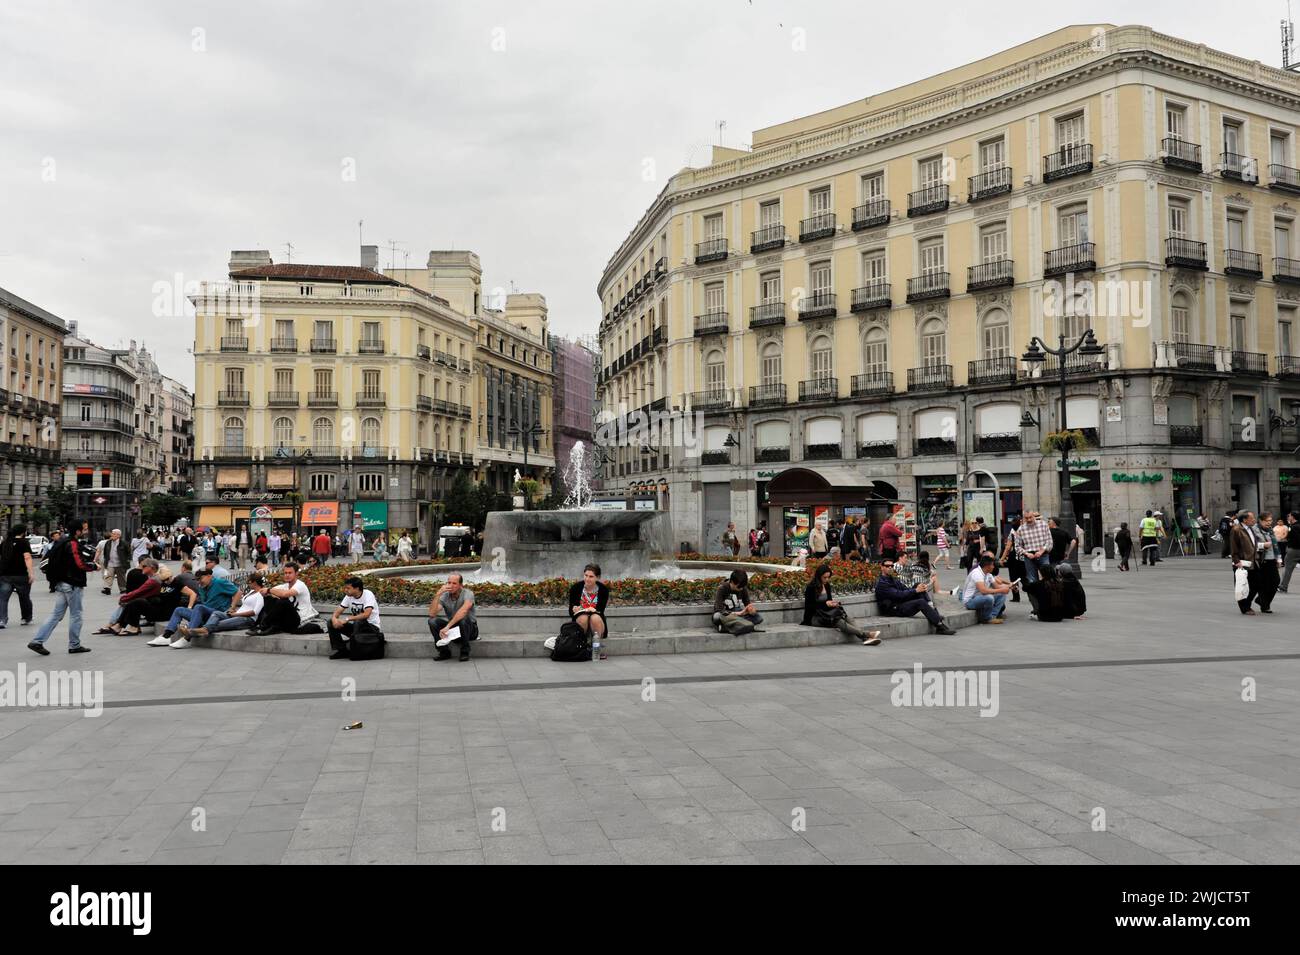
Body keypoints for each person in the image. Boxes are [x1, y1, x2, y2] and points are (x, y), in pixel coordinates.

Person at [28, 518, 94, 655]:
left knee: (56, 615)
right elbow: (79, 563)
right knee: (76, 615)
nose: (86, 531)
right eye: (85, 529)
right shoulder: (72, 543)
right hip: (72, 584)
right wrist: (93, 566)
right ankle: (74, 645)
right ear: (78, 531)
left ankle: (37, 641)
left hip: (60, 583)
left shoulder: (60, 541)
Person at [149, 567, 238, 647]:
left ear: (209, 576)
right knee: (179, 610)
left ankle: (187, 637)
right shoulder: (202, 587)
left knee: (199, 607)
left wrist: (232, 607)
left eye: (200, 579)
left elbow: (238, 592)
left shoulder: (219, 582)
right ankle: (166, 636)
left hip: (217, 614)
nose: (199, 582)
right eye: (197, 579)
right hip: (206, 614)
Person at [802, 562, 881, 645]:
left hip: (826, 614)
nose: (827, 579)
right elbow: (809, 606)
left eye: (828, 577)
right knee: (838, 621)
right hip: (814, 617)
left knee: (847, 618)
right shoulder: (811, 587)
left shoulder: (827, 585)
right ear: (819, 576)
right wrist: (826, 604)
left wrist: (833, 604)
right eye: (824, 577)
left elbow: (829, 601)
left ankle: (865, 639)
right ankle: (867, 635)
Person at [874, 557, 956, 635]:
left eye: (892, 566)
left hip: (900, 603)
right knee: (920, 601)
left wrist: (918, 588)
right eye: (887, 566)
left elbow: (904, 589)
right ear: (882, 567)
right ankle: (939, 626)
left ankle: (935, 614)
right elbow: (898, 594)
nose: (890, 568)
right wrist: (915, 590)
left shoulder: (893, 579)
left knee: (918, 586)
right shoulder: (882, 584)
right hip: (893, 609)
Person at [184, 574, 268, 639]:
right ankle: (202, 629)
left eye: (249, 582)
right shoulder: (251, 592)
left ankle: (198, 630)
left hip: (248, 619)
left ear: (255, 583)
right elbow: (245, 606)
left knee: (218, 624)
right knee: (216, 613)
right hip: (238, 614)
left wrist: (236, 614)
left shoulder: (261, 594)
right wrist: (234, 610)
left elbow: (255, 612)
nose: (248, 584)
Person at [249, 562, 319, 635]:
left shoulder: (300, 585)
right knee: (268, 598)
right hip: (287, 620)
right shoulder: (284, 586)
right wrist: (268, 593)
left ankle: (263, 626)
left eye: (290, 573)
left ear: (296, 573)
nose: (287, 575)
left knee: (283, 602)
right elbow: (266, 592)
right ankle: (272, 626)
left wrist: (269, 590)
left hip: (300, 620)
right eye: (285, 573)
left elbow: (285, 594)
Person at [325, 576, 383, 660]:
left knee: (359, 621)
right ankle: (342, 650)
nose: (345, 590)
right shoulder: (348, 596)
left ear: (357, 588)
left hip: (371, 629)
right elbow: (338, 611)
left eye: (348, 588)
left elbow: (366, 614)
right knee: (330, 622)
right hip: (357, 627)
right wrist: (334, 619)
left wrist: (347, 619)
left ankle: (354, 648)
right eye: (345, 588)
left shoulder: (368, 594)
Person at [428, 572, 477, 662]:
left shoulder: (468, 593)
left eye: (454, 583)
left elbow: (463, 611)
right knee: (432, 621)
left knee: (463, 619)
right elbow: (432, 613)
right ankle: (444, 652)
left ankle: (464, 652)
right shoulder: (445, 596)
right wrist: (438, 594)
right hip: (454, 630)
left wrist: (447, 627)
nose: (451, 585)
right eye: (449, 582)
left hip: (470, 630)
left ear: (461, 585)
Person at [111, 558, 164, 634]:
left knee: (136, 602)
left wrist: (124, 598)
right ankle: (120, 625)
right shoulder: (153, 578)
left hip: (157, 610)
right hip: (155, 605)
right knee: (135, 602)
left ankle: (131, 627)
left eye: (144, 566)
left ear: (152, 568)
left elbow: (139, 591)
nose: (142, 567)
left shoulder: (153, 580)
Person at [567, 563, 610, 651]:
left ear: (597, 578)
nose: (587, 579)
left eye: (591, 576)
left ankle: (596, 649)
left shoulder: (603, 590)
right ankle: (580, 647)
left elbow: (600, 611)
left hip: (597, 622)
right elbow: (571, 612)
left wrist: (593, 610)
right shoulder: (576, 588)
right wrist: (574, 609)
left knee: (594, 617)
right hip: (581, 621)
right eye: (586, 575)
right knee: (583, 617)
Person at [0, 523, 36, 628]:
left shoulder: (5, 542)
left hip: (5, 575)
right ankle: (26, 618)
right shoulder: (24, 542)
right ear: (23, 532)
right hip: (21, 575)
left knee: (2, 598)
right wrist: (31, 573)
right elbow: (27, 558)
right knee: (24, 597)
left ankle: (2, 620)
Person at [1231, 511, 1264, 616]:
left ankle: (1248, 603)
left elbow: (1253, 544)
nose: (1254, 520)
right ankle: (1244, 608)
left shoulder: (1251, 529)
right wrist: (1236, 561)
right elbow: (1233, 547)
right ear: (1245, 520)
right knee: (1242, 585)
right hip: (1242, 562)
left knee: (1257, 584)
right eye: (1252, 518)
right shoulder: (1236, 529)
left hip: (1253, 561)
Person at [962, 555, 1010, 624]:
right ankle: (987, 618)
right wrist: (1001, 590)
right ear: (987, 566)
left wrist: (1009, 586)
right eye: (992, 565)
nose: (993, 567)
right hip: (970, 601)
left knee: (1001, 595)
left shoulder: (988, 574)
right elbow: (983, 591)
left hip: (980, 597)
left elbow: (997, 586)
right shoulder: (977, 573)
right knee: (989, 597)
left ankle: (992, 617)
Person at [713, 569, 763, 635]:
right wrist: (739, 613)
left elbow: (747, 604)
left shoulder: (743, 588)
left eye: (742, 587)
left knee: (758, 618)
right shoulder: (722, 588)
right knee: (717, 616)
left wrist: (751, 610)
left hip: (738, 616)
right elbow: (719, 610)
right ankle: (745, 626)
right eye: (739, 587)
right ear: (733, 582)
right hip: (727, 616)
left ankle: (725, 628)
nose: (741, 589)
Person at [1013, 511, 1052, 583]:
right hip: (1029, 556)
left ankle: (1048, 593)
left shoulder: (1043, 525)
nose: (1029, 520)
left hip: (1043, 554)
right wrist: (1027, 553)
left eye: (1030, 517)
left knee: (1048, 577)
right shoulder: (1021, 529)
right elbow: (1017, 546)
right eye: (1026, 518)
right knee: (1031, 580)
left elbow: (1049, 541)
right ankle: (1036, 593)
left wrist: (1041, 551)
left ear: (1034, 516)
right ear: (1024, 518)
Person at [1254, 512, 1282, 613]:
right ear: (1260, 520)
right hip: (1261, 560)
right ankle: (1265, 606)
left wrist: (1278, 559)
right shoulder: (1254, 529)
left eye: (1271, 520)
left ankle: (1261, 600)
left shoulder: (1270, 530)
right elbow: (1250, 545)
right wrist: (1263, 545)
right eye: (1267, 521)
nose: (1269, 523)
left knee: (1276, 581)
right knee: (1264, 584)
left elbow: (1275, 545)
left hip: (1272, 560)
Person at [96, 528, 130, 595]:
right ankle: (107, 588)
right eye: (112, 533)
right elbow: (105, 552)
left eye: (114, 534)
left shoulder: (123, 543)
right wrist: (106, 560)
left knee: (121, 577)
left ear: (119, 535)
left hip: (120, 563)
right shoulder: (108, 542)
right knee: (108, 576)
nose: (112, 535)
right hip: (110, 562)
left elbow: (128, 552)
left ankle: (123, 589)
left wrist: (127, 560)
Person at [1280, 514, 1300, 592]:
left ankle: (1283, 586)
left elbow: (1293, 538)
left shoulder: (1293, 527)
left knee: (1288, 569)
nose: (1288, 517)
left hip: (1294, 549)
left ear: (1293, 517)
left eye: (1289, 516)